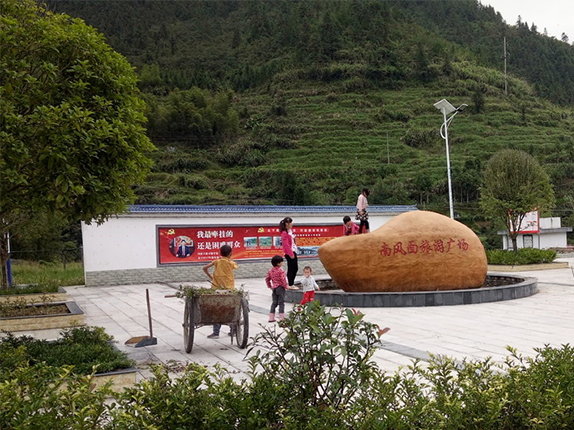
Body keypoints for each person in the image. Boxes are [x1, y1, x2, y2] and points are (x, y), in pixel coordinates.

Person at [202, 244, 238, 339]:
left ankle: (216, 333)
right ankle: (233, 330)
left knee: (217, 309)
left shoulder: (216, 261)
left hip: (216, 289)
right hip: (229, 290)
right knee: (231, 308)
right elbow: (235, 266)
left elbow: (204, 268)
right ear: (230, 254)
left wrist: (211, 277)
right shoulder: (231, 263)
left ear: (220, 253)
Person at [265, 255, 288, 322]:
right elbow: (283, 279)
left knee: (274, 303)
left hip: (274, 288)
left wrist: (269, 286)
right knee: (281, 302)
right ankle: (281, 318)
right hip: (280, 287)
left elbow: (267, 279)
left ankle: (271, 317)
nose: (282, 263)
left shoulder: (270, 271)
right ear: (278, 263)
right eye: (281, 262)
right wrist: (286, 286)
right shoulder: (281, 270)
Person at [280, 217, 298, 287]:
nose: (292, 224)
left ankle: (291, 283)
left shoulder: (291, 231)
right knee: (291, 268)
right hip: (289, 253)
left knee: (295, 268)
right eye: (291, 222)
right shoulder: (284, 233)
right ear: (287, 224)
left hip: (294, 251)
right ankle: (290, 284)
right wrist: (290, 254)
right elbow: (286, 245)